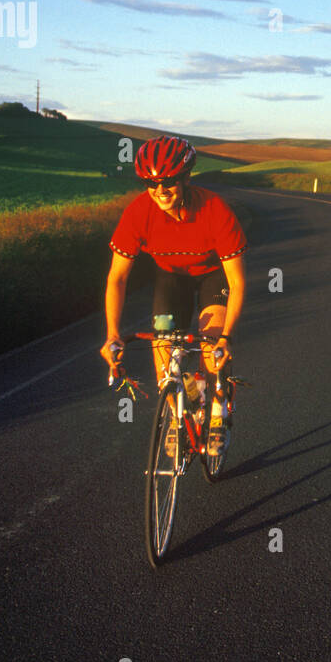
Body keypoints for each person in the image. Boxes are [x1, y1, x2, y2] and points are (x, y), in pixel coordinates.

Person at [99, 135, 247, 455]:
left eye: (168, 182)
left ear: (186, 177)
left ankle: (219, 413)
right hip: (172, 277)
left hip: (213, 275)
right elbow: (117, 278)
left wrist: (227, 338)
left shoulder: (214, 210)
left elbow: (236, 281)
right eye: (151, 183)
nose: (160, 191)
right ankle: (181, 416)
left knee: (211, 344)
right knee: (164, 348)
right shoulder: (139, 213)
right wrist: (112, 333)